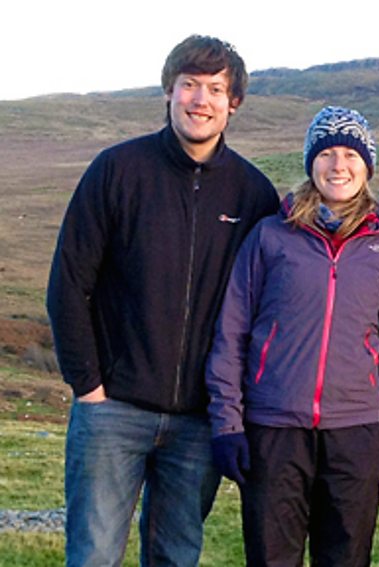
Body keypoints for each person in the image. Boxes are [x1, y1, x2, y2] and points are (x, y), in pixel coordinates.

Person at [45, 35, 280, 566]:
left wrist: (232, 405)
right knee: (93, 556)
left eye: (216, 89)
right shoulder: (117, 171)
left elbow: (265, 310)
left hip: (199, 423)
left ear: (233, 102)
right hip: (112, 410)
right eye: (190, 85)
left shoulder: (253, 194)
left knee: (176, 557)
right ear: (168, 92)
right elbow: (68, 283)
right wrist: (89, 387)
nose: (201, 99)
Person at [204, 105, 379, 567]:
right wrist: (228, 425)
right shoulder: (270, 237)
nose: (338, 165)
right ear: (311, 163)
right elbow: (232, 335)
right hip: (274, 431)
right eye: (326, 153)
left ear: (367, 166)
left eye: (350, 154)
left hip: (356, 436)